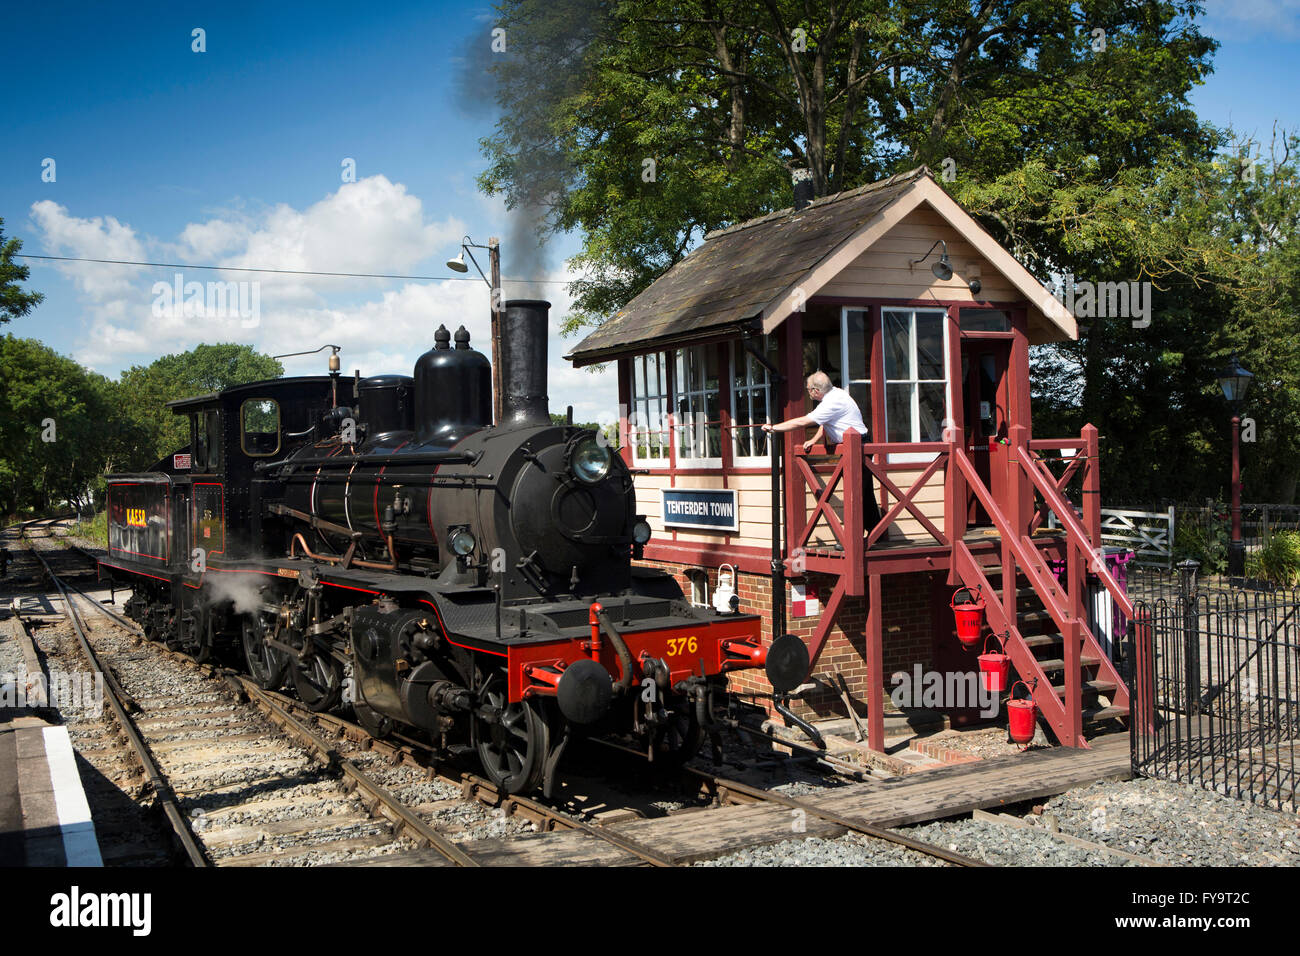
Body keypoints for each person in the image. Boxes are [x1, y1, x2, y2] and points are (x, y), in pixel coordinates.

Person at [762, 371, 883, 530]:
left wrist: (774, 428)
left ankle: (854, 537)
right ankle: (876, 534)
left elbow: (803, 422)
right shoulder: (838, 394)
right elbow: (826, 423)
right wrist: (813, 440)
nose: (808, 392)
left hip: (857, 447)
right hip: (858, 445)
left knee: (855, 494)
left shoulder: (830, 403)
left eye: (808, 389)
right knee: (865, 493)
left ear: (815, 391)